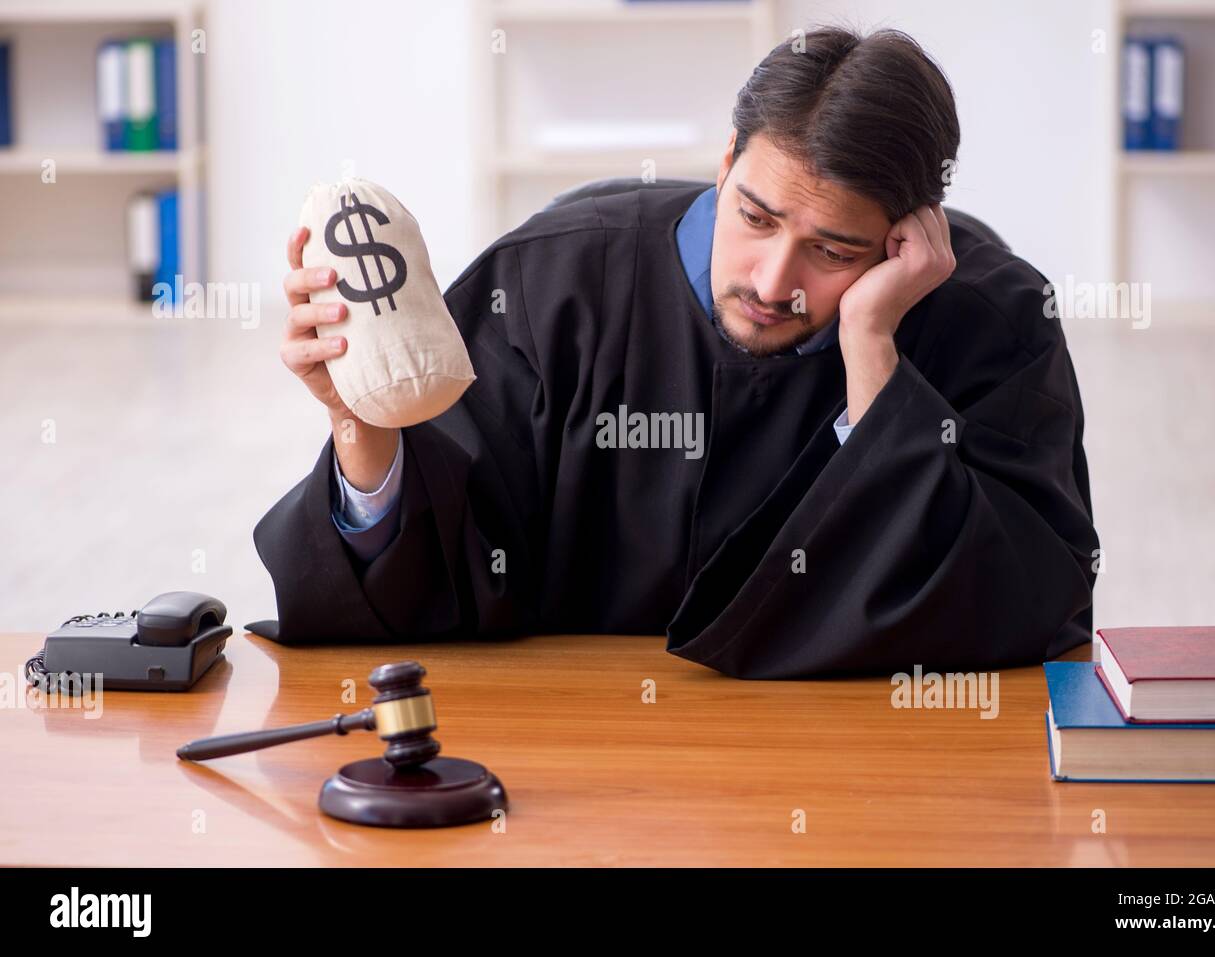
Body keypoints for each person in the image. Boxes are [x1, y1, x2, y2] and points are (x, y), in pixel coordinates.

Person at [254, 26, 1099, 679]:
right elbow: (439, 571)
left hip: (861, 787)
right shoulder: (550, 285)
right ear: (726, 161)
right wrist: (359, 427)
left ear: (906, 237)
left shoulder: (992, 319)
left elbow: (1022, 607)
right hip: (577, 778)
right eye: (757, 217)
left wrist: (873, 352)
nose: (774, 281)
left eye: (834, 252)